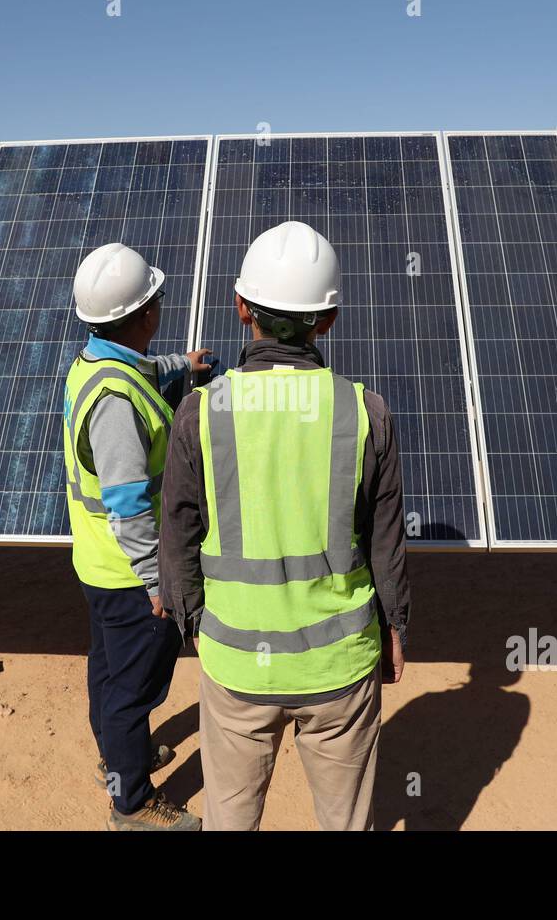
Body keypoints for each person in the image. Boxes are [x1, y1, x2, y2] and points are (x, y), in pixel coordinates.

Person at [159, 220, 410, 831]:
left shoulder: (201, 410)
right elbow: (385, 540)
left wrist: (193, 619)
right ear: (327, 320)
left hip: (237, 662)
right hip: (340, 666)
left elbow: (179, 531)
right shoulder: (364, 410)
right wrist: (395, 624)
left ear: (242, 306)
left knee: (231, 817)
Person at [63, 242, 209, 831]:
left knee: (107, 669)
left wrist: (185, 366)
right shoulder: (117, 403)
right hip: (131, 574)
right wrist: (157, 581)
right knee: (133, 690)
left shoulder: (94, 366)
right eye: (157, 301)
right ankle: (132, 804)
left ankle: (115, 759)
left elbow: (140, 370)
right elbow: (126, 502)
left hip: (97, 564)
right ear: (143, 314)